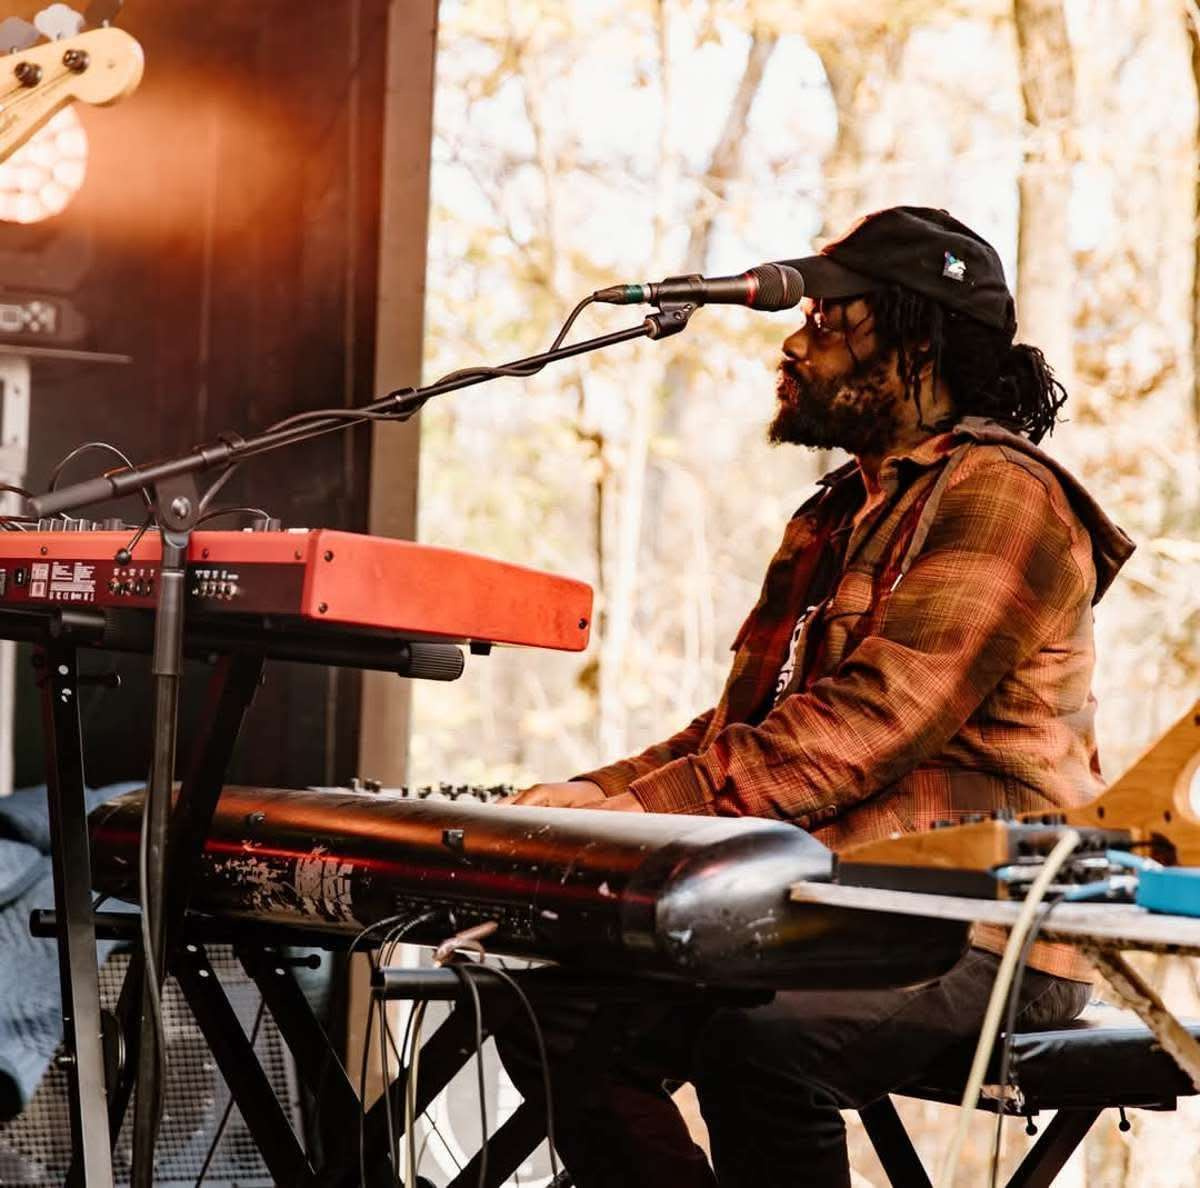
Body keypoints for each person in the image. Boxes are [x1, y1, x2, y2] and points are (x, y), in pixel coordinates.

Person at [497, 206, 1134, 1187]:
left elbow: (868, 724)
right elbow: (736, 732)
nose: (794, 343)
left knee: (761, 1047)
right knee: (555, 1008)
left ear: (913, 339)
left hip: (989, 932)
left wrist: (629, 816)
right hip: (838, 912)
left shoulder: (1005, 496)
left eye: (828, 319)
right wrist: (581, 804)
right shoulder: (837, 511)